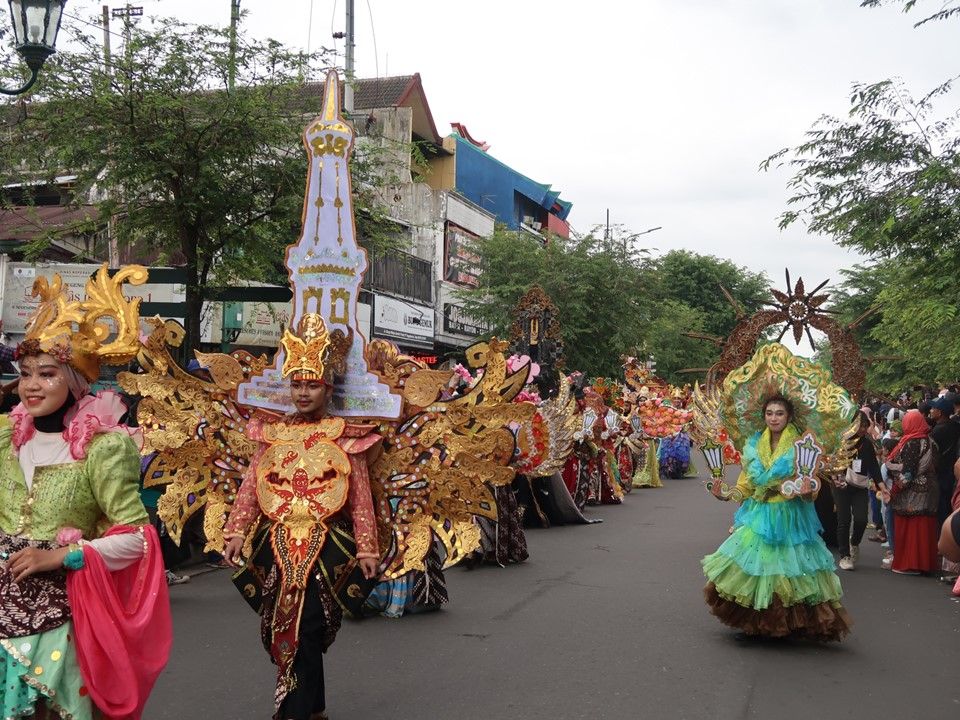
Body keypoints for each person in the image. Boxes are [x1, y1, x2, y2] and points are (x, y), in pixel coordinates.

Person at [0, 265, 170, 720]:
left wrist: (61, 557)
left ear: (74, 381)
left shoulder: (103, 448)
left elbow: (137, 537)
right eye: (26, 373)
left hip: (64, 614)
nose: (32, 385)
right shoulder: (2, 437)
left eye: (48, 374)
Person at [222, 313, 380, 720]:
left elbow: (360, 495)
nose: (303, 392)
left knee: (307, 625)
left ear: (328, 387)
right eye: (297, 383)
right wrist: (237, 530)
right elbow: (252, 486)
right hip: (277, 544)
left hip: (326, 545)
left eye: (312, 384)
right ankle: (315, 708)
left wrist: (367, 547)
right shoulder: (271, 433)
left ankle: (294, 711)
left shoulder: (345, 435)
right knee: (282, 624)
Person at [702, 393, 851, 640]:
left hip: (790, 516)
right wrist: (724, 494)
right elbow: (747, 486)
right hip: (760, 515)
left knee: (791, 568)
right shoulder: (752, 445)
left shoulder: (803, 446)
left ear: (789, 416)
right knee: (759, 566)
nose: (774, 418)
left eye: (779, 413)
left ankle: (793, 622)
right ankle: (759, 620)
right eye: (769, 413)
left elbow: (811, 490)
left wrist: (805, 491)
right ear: (763, 416)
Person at [885, 409, 940, 575]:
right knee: (924, 529)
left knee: (910, 529)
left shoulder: (911, 442)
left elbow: (908, 472)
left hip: (911, 493)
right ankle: (924, 564)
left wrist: (894, 490)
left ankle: (910, 565)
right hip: (930, 490)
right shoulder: (930, 441)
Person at [833, 410, 883, 570]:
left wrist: (882, 486)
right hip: (841, 485)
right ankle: (845, 556)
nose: (863, 429)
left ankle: (854, 542)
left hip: (860, 486)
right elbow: (828, 462)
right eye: (860, 425)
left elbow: (874, 467)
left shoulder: (867, 444)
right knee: (844, 520)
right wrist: (835, 476)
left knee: (861, 519)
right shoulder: (839, 441)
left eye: (865, 425)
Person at [928, 397, 960, 527]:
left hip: (941, 473)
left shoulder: (937, 431)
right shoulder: (956, 426)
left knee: (941, 509)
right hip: (953, 472)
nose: (931, 410)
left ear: (940, 412)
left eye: (933, 408)